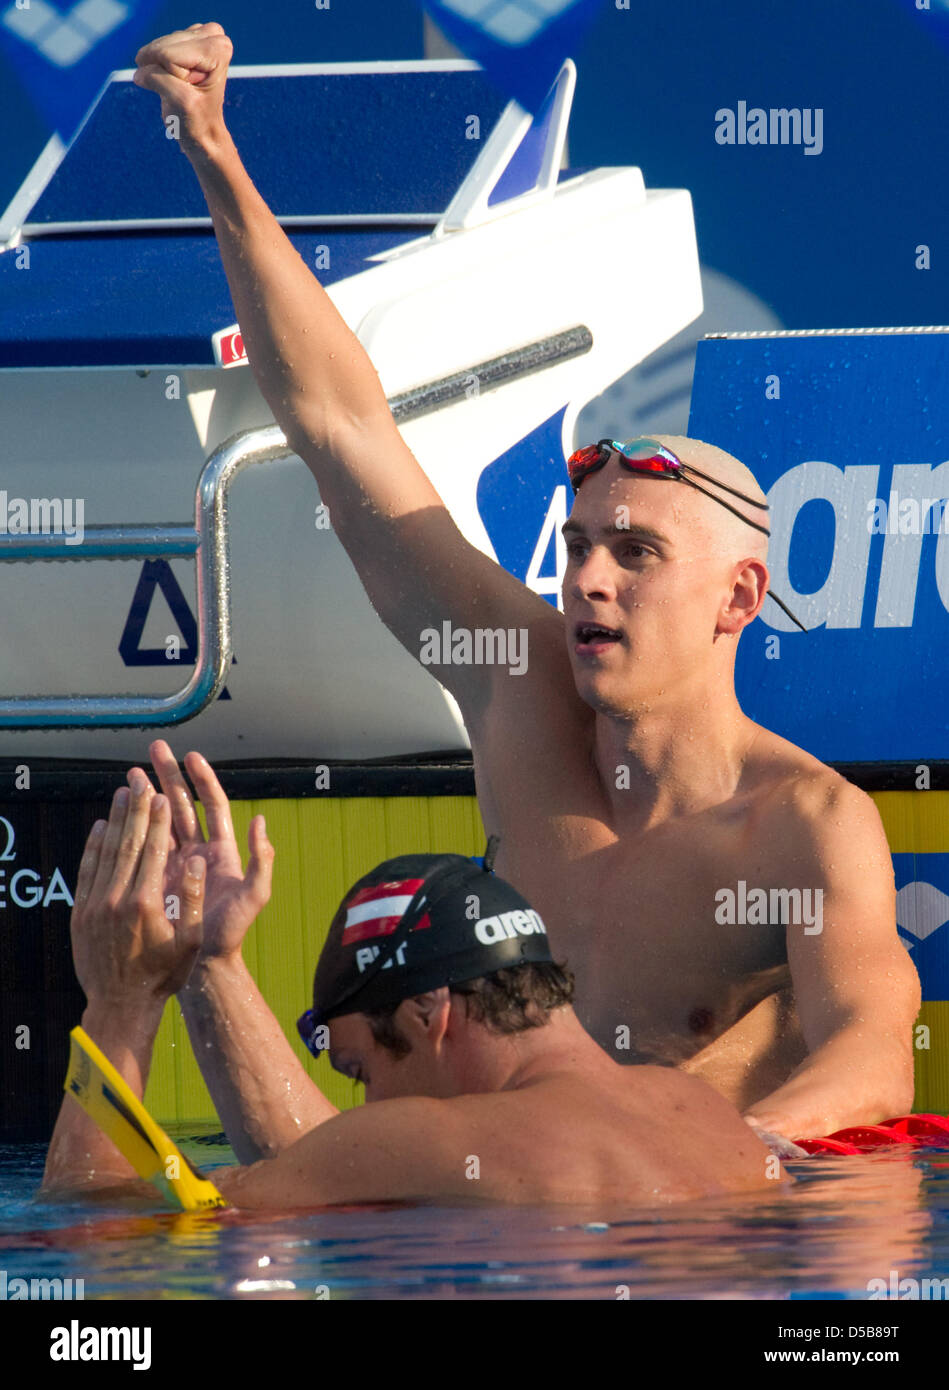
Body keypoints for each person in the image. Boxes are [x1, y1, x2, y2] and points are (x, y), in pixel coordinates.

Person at [130, 24, 921, 1140]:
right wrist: (214, 153)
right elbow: (340, 423)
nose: (586, 580)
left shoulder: (802, 826)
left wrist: (709, 1177)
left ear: (738, 599)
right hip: (506, 1211)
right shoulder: (516, 686)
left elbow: (873, 1058)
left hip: (689, 1235)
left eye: (633, 555)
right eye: (580, 544)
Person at [41, 758, 775, 1208]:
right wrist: (210, 961)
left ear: (429, 1011)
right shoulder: (705, 1113)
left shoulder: (436, 1139)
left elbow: (93, 1223)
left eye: (358, 1070)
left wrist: (121, 1000)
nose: (366, 1105)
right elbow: (331, 1162)